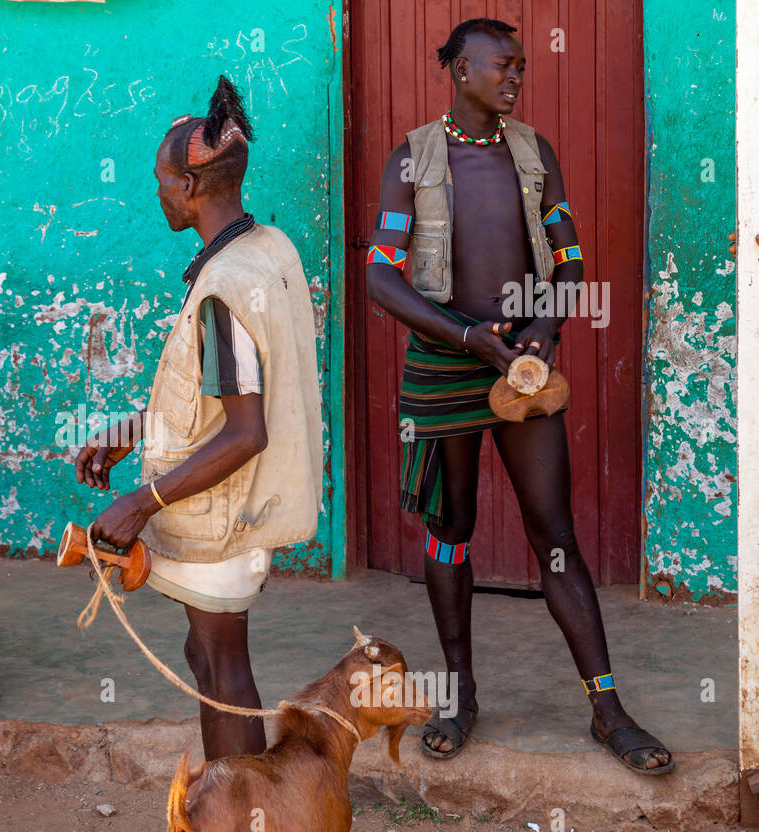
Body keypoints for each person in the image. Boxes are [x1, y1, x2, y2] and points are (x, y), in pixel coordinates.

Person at [364, 18, 672, 773]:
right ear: (459, 70)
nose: (514, 79)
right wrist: (470, 338)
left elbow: (569, 260)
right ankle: (460, 694)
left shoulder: (533, 154)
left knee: (554, 533)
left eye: (522, 68)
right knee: (452, 529)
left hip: (522, 366)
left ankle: (607, 708)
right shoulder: (413, 159)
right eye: (501, 66)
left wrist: (543, 328)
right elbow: (380, 276)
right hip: (447, 363)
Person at [74, 76, 324, 762]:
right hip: (238, 503)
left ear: (190, 184)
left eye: (160, 179)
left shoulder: (225, 289)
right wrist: (136, 432)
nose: (156, 191)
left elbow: (247, 431)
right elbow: (218, 394)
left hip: (224, 513)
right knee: (209, 654)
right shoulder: (266, 248)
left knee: (222, 673)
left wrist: (140, 503)